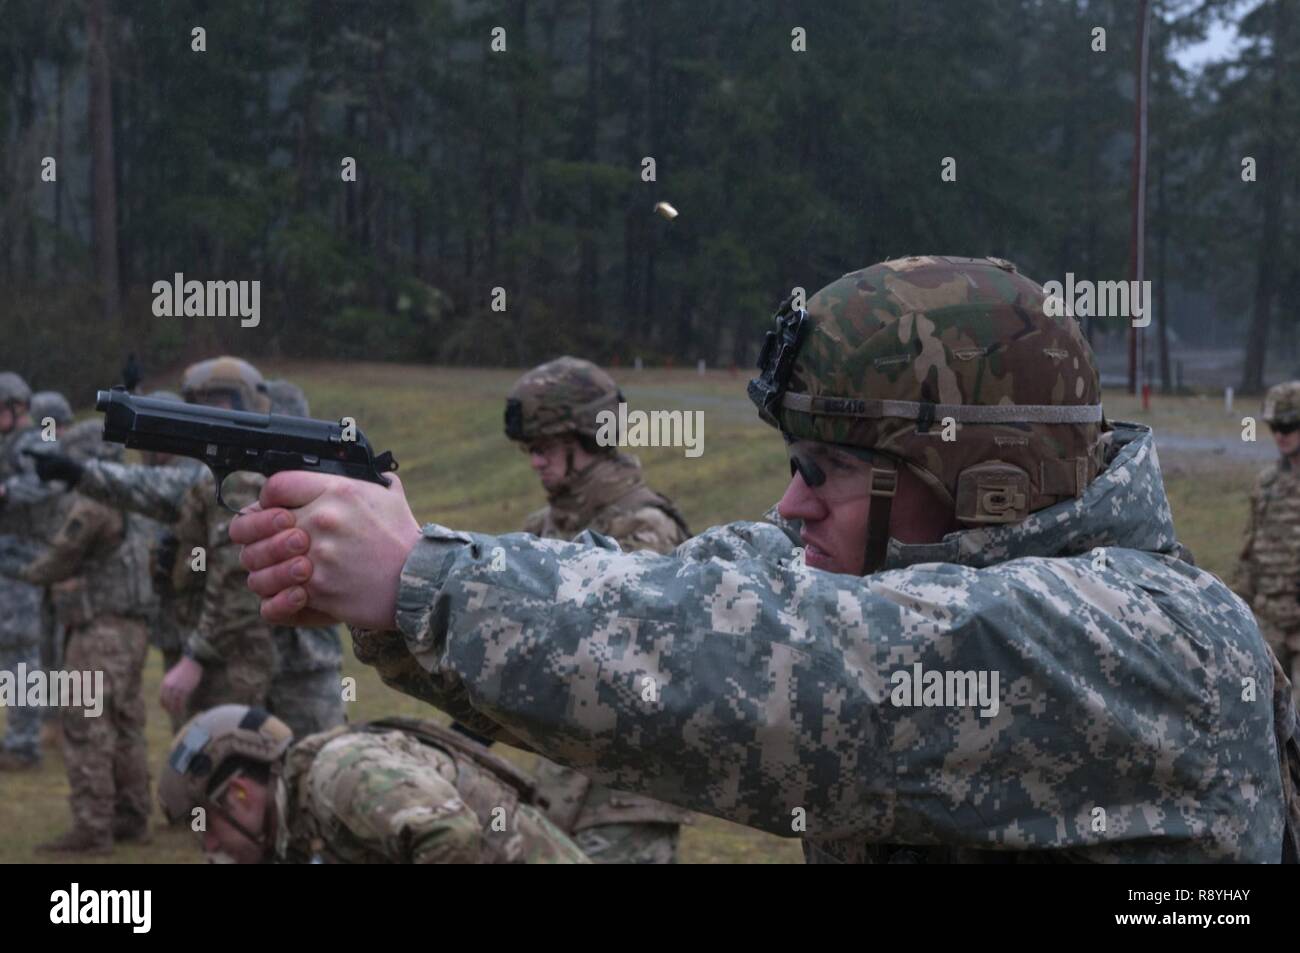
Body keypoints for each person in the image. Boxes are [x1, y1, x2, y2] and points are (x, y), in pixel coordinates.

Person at [231, 256, 1297, 862]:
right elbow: (711, 587)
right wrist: (406, 562)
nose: (789, 503)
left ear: (985, 482)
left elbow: (783, 663)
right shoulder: (906, 570)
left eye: (823, 469)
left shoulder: (1152, 637)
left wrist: (426, 583)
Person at [493, 357, 692, 862]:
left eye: (543, 448)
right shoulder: (545, 526)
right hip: (559, 781)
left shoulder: (644, 530)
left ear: (588, 438)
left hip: (626, 793)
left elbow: (619, 660)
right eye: (528, 451)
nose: (534, 462)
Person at [158, 704, 589, 864]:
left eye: (207, 828)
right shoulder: (298, 830)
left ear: (238, 793)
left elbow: (450, 835)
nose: (209, 847)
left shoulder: (339, 771)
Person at [23, 421, 155, 853]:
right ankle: (133, 816)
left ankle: (92, 827)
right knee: (127, 725)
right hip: (134, 631)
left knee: (85, 727)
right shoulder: (134, 502)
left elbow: (61, 557)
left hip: (100, 630)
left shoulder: (93, 504)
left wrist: (22, 571)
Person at [1235, 381, 1300, 704]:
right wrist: (1238, 615)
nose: (1280, 435)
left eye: (1289, 426)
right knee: (1266, 716)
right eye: (1275, 426)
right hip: (1268, 622)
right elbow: (1248, 554)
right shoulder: (1267, 484)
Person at [0, 372, 45, 769]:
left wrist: (7, 491)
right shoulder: (7, 443)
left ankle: (24, 744)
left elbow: (48, 483)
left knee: (21, 657)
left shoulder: (32, 443)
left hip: (21, 567)